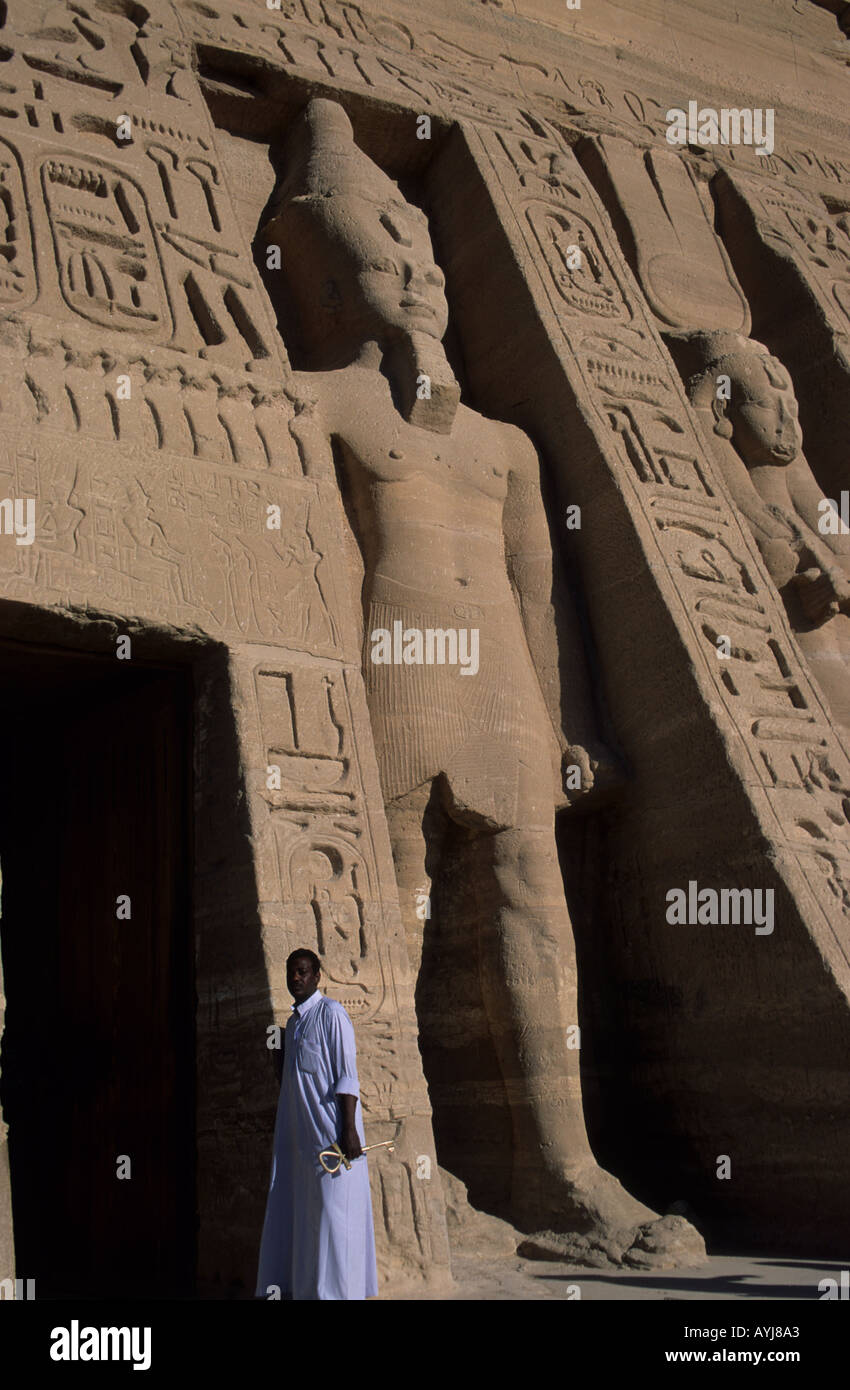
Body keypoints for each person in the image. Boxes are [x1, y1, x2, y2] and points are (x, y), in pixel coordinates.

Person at [255, 948, 378, 1300]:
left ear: (317, 976)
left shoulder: (331, 1014)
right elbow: (293, 1085)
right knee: (307, 1221)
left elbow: (347, 1077)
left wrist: (349, 1129)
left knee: (335, 1221)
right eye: (292, 972)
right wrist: (277, 1057)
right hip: (303, 1142)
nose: (296, 978)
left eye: (304, 972)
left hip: (334, 1139)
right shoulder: (293, 1024)